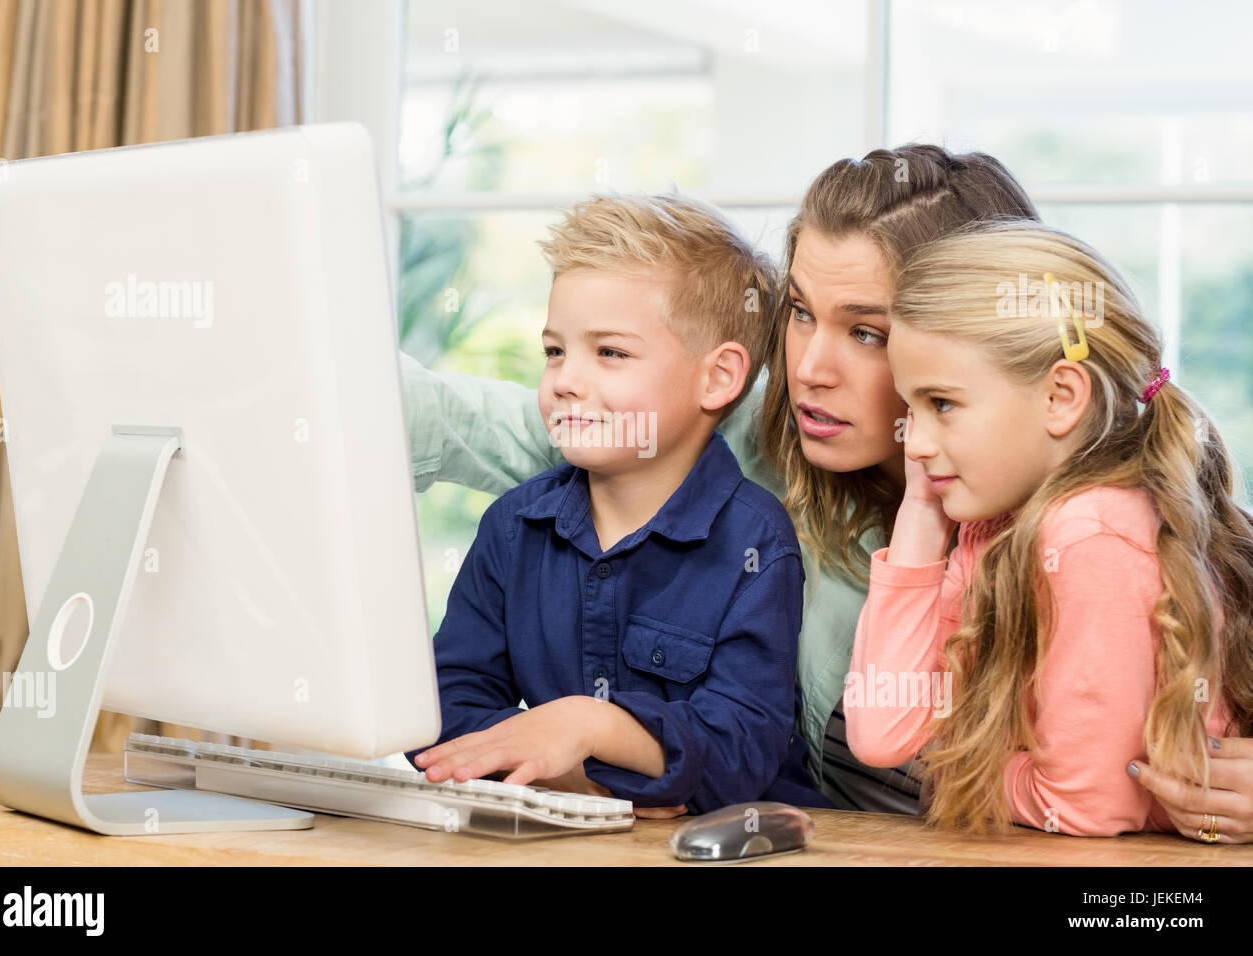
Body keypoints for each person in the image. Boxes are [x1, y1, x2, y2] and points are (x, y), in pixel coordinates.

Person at [400, 145, 1253, 842]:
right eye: (800, 312)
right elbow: (528, 425)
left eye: (867, 332)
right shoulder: (743, 440)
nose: (808, 368)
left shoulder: (1085, 523)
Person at [407, 193, 827, 814]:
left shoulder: (757, 543)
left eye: (610, 353)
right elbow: (449, 700)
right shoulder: (512, 527)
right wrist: (567, 782)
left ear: (717, 378)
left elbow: (741, 747)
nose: (565, 380)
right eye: (555, 350)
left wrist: (593, 727)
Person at [846, 221, 1253, 838]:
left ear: (1061, 396)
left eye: (942, 404)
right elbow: (883, 733)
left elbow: (1089, 805)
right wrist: (920, 519)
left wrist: (963, 765)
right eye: (909, 408)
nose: (916, 442)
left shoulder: (1087, 532)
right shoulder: (997, 525)